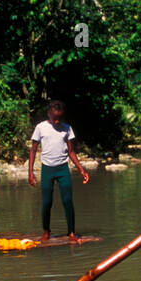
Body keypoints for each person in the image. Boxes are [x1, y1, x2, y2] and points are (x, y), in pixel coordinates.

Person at [28, 99, 89, 241]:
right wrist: (30, 173)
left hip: (63, 169)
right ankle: (46, 231)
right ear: (49, 114)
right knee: (47, 202)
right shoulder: (41, 127)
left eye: (60, 118)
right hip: (47, 168)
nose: (57, 121)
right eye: (55, 118)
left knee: (67, 200)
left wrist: (81, 169)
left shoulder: (67, 128)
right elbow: (33, 151)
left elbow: (71, 152)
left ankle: (71, 232)